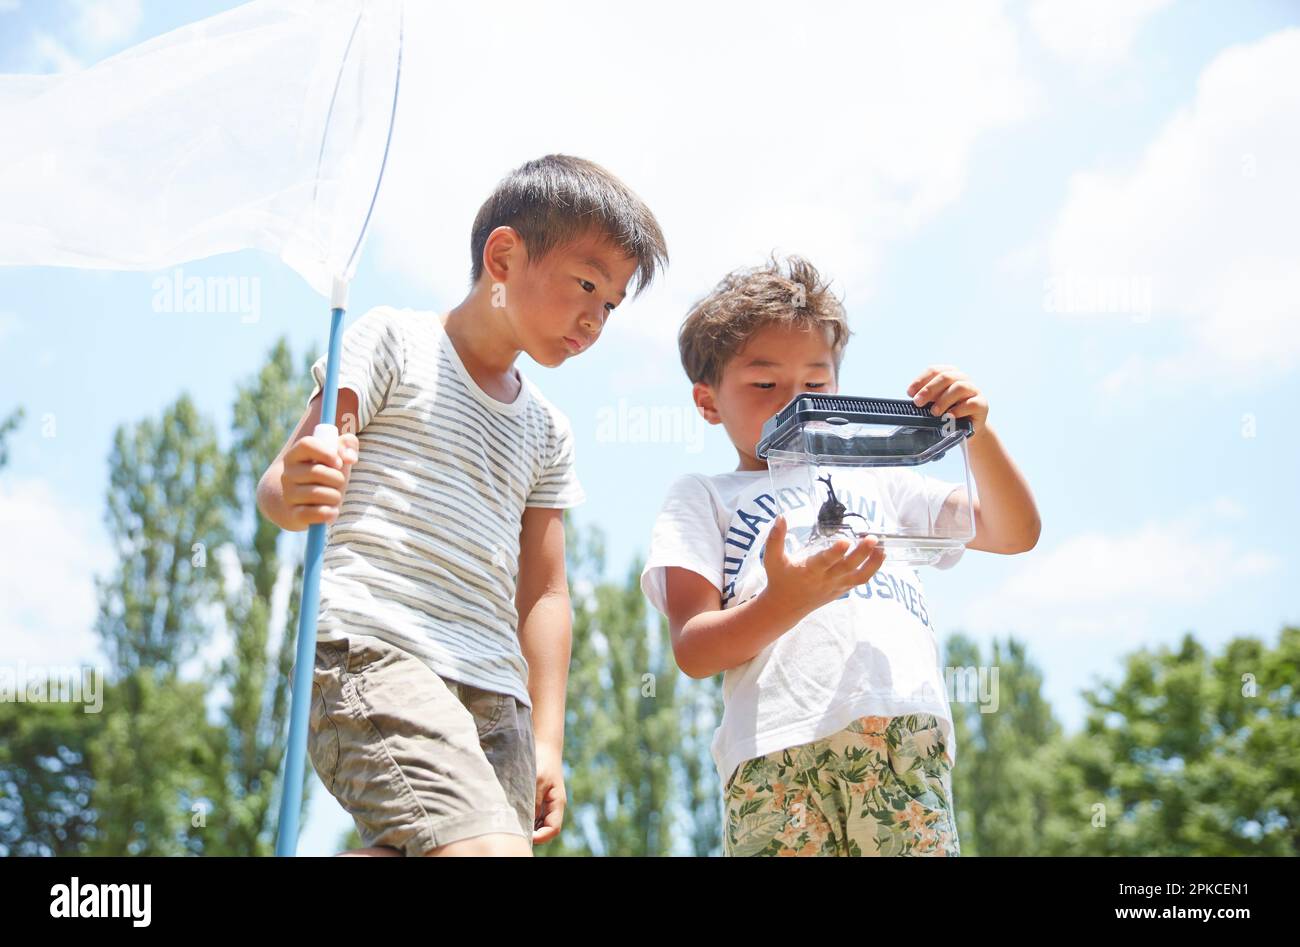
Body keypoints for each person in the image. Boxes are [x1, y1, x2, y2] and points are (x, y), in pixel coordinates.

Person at [257, 155, 667, 856]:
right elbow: (282, 485)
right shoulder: (392, 341)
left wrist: (546, 736)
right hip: (373, 648)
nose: (594, 317)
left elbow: (545, 592)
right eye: (587, 283)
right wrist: (298, 486)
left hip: (493, 693)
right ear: (503, 255)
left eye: (610, 303)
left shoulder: (548, 431)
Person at [641, 254, 1040, 856]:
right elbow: (695, 649)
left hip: (901, 726)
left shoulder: (883, 478)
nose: (795, 401)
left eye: (816, 383)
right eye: (764, 383)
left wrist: (975, 433)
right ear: (708, 401)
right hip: (773, 749)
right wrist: (785, 602)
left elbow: (1014, 532)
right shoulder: (702, 497)